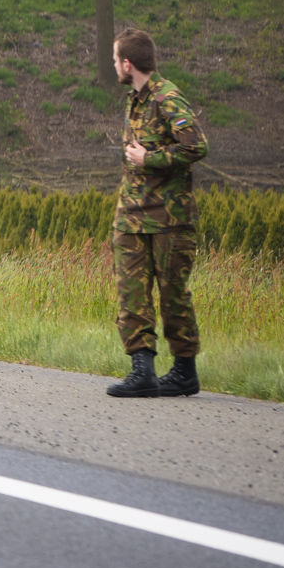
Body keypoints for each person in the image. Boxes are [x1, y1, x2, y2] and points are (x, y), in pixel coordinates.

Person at [106, 27, 209, 398]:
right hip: (132, 217)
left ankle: (184, 372)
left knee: (173, 295)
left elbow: (196, 146)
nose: (113, 64)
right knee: (131, 294)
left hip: (169, 219)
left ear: (128, 64)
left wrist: (150, 158)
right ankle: (142, 370)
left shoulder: (168, 98)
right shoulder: (134, 98)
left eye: (116, 59)